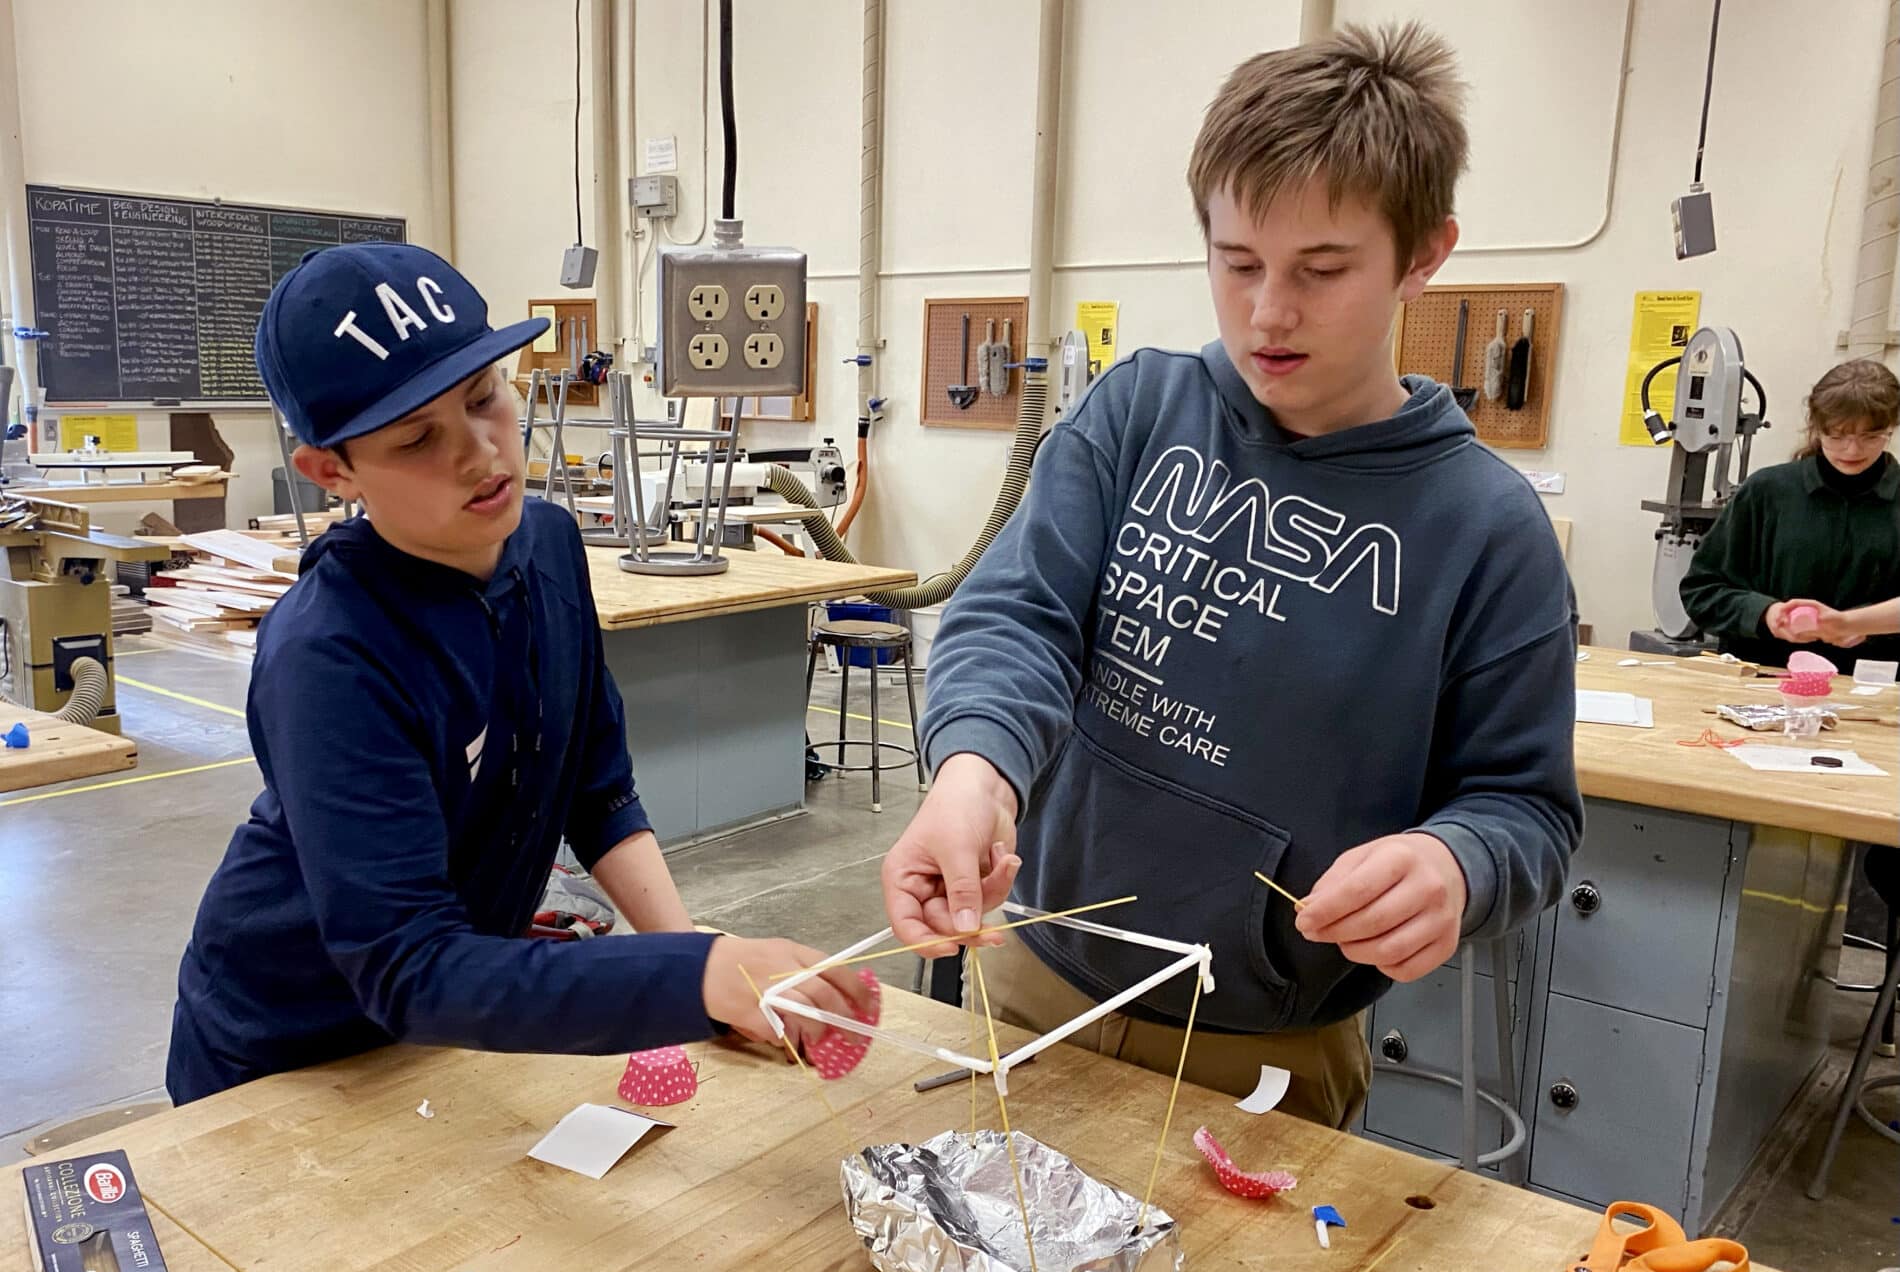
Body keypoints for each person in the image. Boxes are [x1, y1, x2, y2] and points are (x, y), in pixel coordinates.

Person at [880, 24, 1582, 1129]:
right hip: (1029, 983)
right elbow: (1017, 617)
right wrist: (974, 770)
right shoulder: (1136, 413)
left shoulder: (1486, 530)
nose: (1268, 312)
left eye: (1322, 270)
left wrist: (1457, 862)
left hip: (1265, 1057)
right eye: (1238, 262)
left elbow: (1524, 806)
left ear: (1423, 253)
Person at [167, 244, 866, 1104]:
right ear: (331, 469)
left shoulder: (547, 545)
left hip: (446, 1032)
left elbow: (596, 789)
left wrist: (705, 974)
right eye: (418, 437)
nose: (480, 453)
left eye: (484, 397)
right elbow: (409, 964)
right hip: (288, 1055)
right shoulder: (330, 654)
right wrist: (691, 976)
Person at [1681, 359, 1900, 670]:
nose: (1852, 450)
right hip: (1763, 681)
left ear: (1891, 428)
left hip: (1875, 690)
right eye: (1836, 436)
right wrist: (1764, 614)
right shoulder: (1767, 491)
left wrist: (1861, 625)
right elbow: (1701, 591)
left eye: (1871, 436)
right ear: (1816, 427)